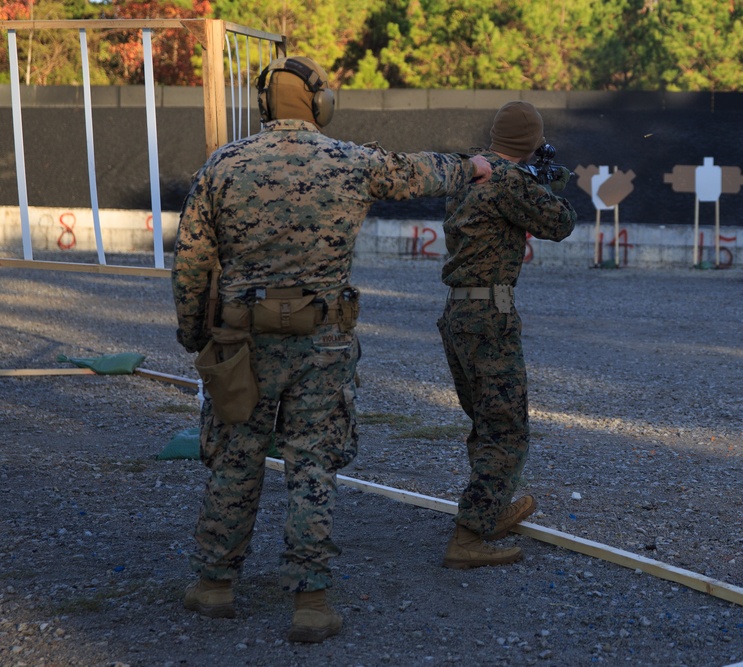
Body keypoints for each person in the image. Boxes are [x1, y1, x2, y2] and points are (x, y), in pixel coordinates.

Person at [171, 55, 491, 643]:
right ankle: (311, 602)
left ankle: (215, 584)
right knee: (312, 465)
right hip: (325, 341)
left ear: (266, 103)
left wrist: (196, 335)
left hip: (242, 342)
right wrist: (475, 165)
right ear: (319, 103)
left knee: (234, 459)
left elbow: (192, 263)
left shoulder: (223, 165)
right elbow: (420, 172)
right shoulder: (349, 161)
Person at [437, 101, 577, 569]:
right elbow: (560, 223)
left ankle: (488, 508)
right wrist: (546, 184)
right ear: (531, 142)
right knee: (506, 429)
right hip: (489, 317)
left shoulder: (469, 171)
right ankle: (469, 536)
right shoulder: (511, 181)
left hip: (458, 312)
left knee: (486, 421)